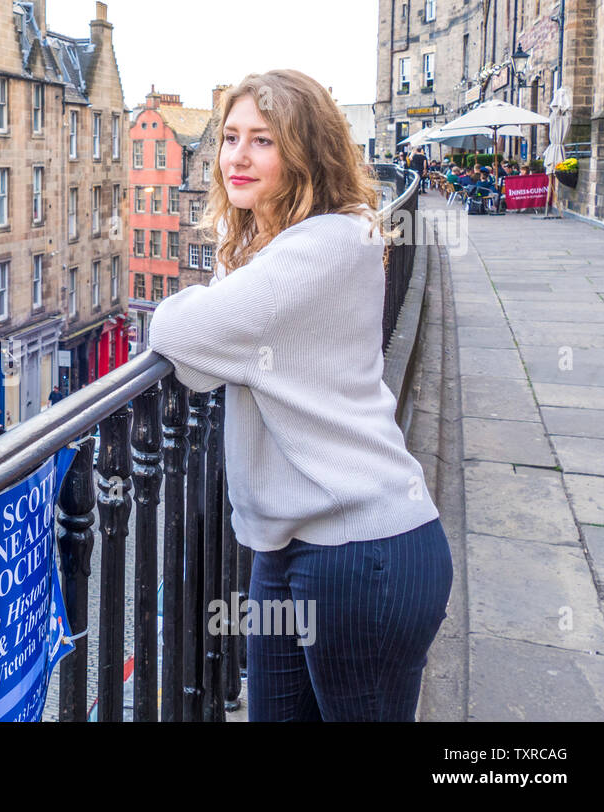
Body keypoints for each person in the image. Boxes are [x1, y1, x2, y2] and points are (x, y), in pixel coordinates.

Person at [147, 70, 451, 722]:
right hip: (286, 547)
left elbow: (176, 331)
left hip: (363, 552)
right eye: (230, 137)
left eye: (262, 140)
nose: (236, 155)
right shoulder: (276, 247)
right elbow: (203, 364)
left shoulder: (328, 244)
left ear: (305, 152)